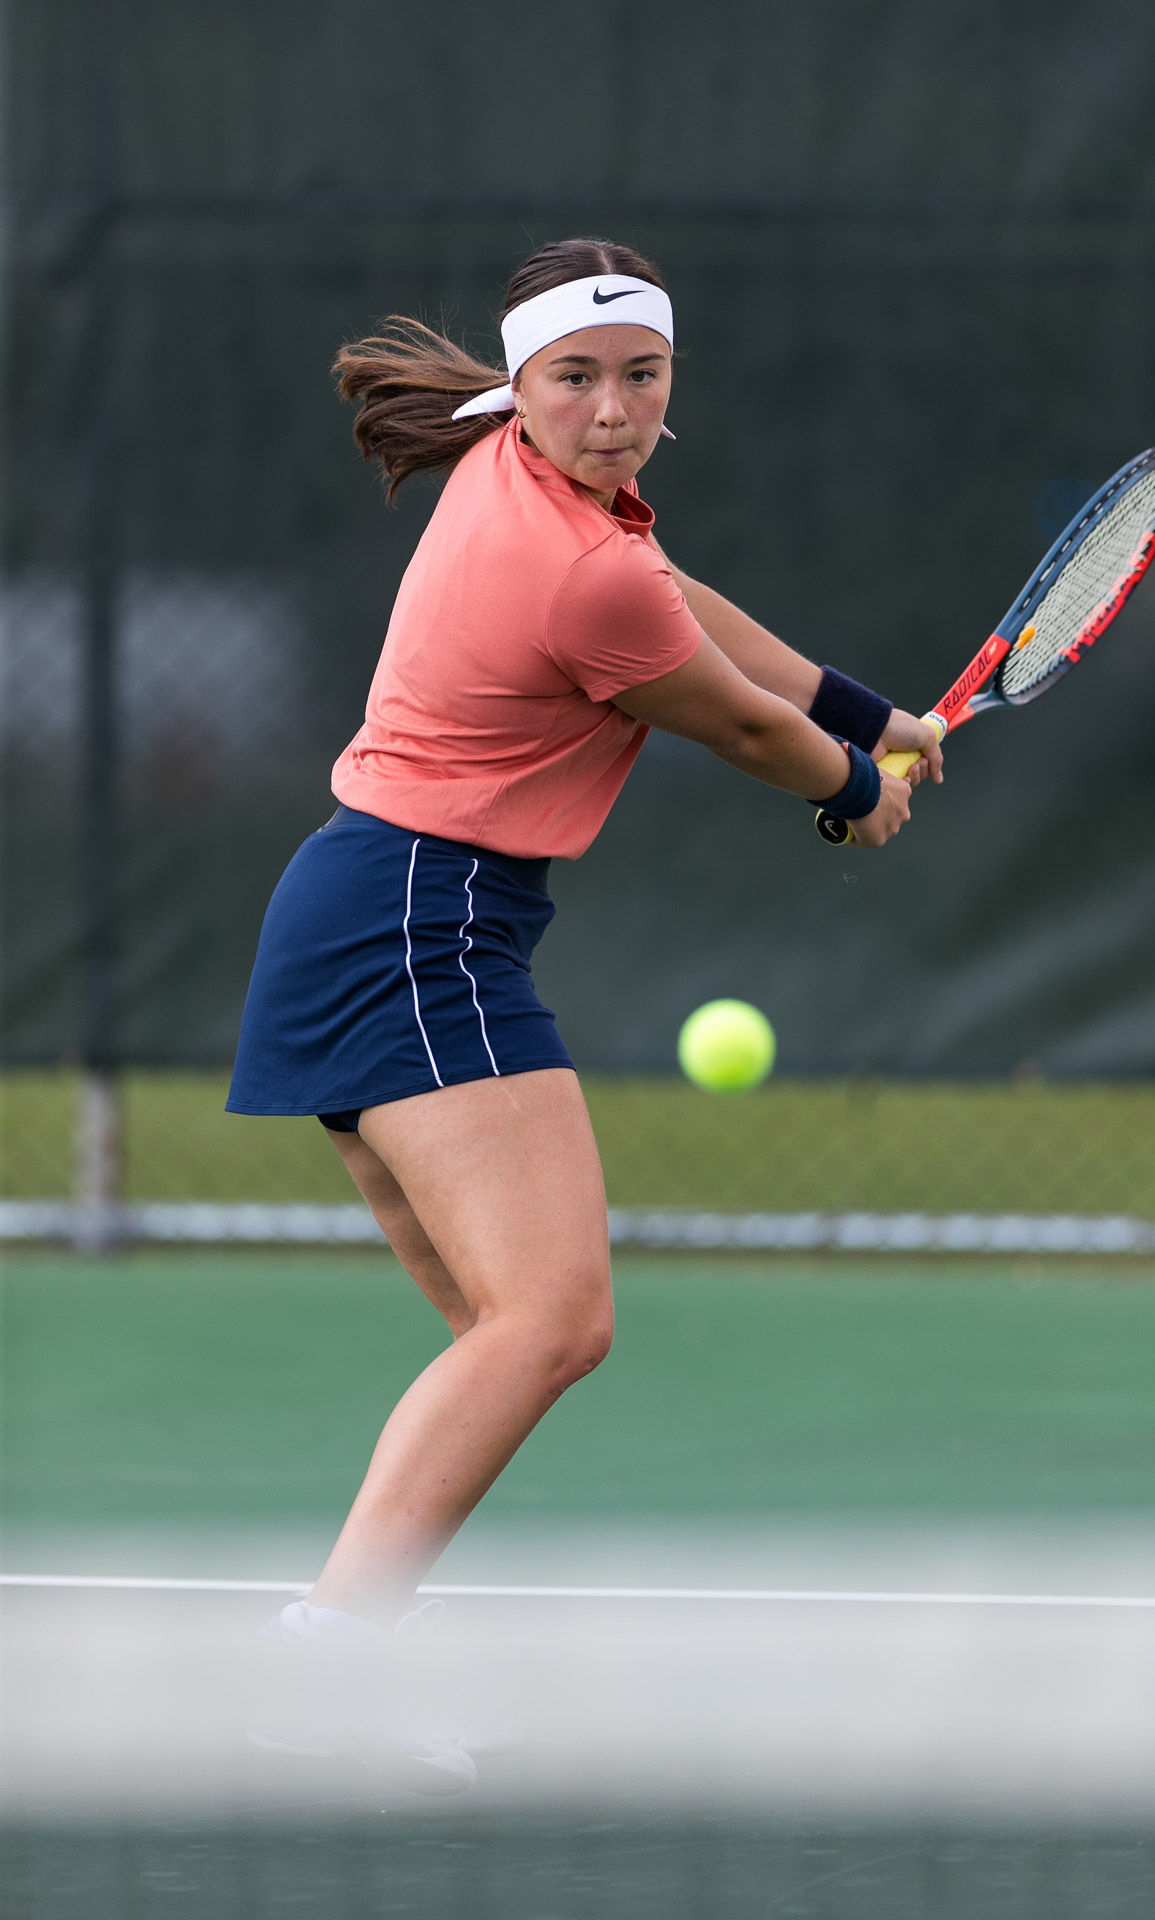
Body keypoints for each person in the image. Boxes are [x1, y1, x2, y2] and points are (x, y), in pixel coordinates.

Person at [226, 236, 942, 1789]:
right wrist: (848, 790)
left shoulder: (530, 475)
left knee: (512, 1328)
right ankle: (317, 1663)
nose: (613, 410)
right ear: (523, 383)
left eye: (642, 377)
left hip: (362, 909)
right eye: (578, 379)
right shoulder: (573, 563)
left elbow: (682, 600)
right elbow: (732, 720)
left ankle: (343, 1658)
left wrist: (870, 711)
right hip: (422, 926)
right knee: (554, 1321)